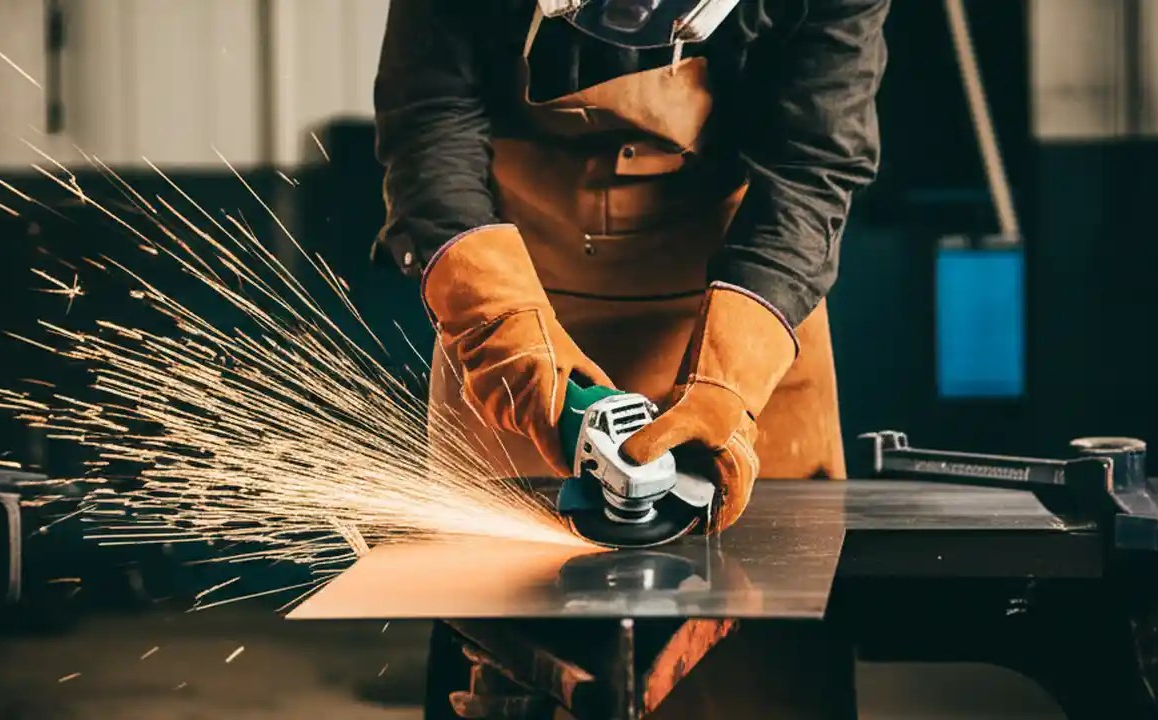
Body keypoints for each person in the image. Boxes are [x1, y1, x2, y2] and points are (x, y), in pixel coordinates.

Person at [374, 0, 889, 716]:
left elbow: (812, 167)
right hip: (518, 304)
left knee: (759, 681)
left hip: (747, 315)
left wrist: (727, 384)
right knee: (503, 672)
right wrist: (515, 353)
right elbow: (430, 128)